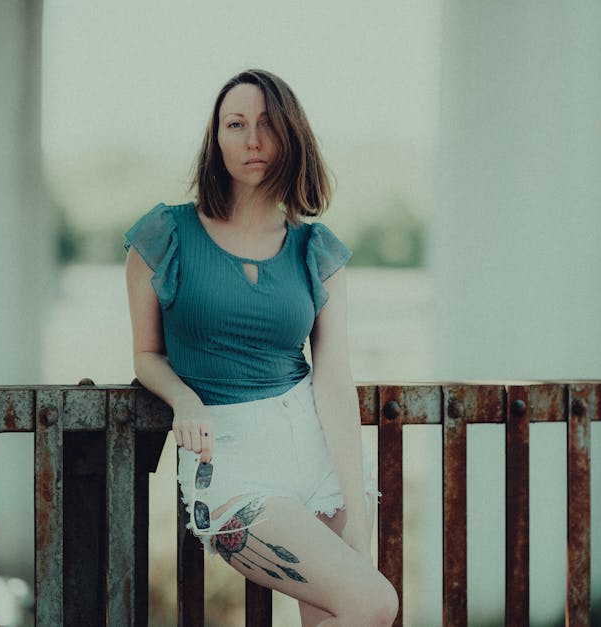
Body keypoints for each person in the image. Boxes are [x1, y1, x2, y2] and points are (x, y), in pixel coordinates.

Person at [124, 69, 398, 626]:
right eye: (236, 124)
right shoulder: (165, 236)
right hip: (230, 463)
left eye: (268, 125)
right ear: (215, 137)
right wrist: (184, 399)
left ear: (291, 137)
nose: (252, 140)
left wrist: (359, 504)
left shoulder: (315, 249)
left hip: (316, 454)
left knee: (342, 615)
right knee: (375, 603)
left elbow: (333, 379)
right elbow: (146, 355)